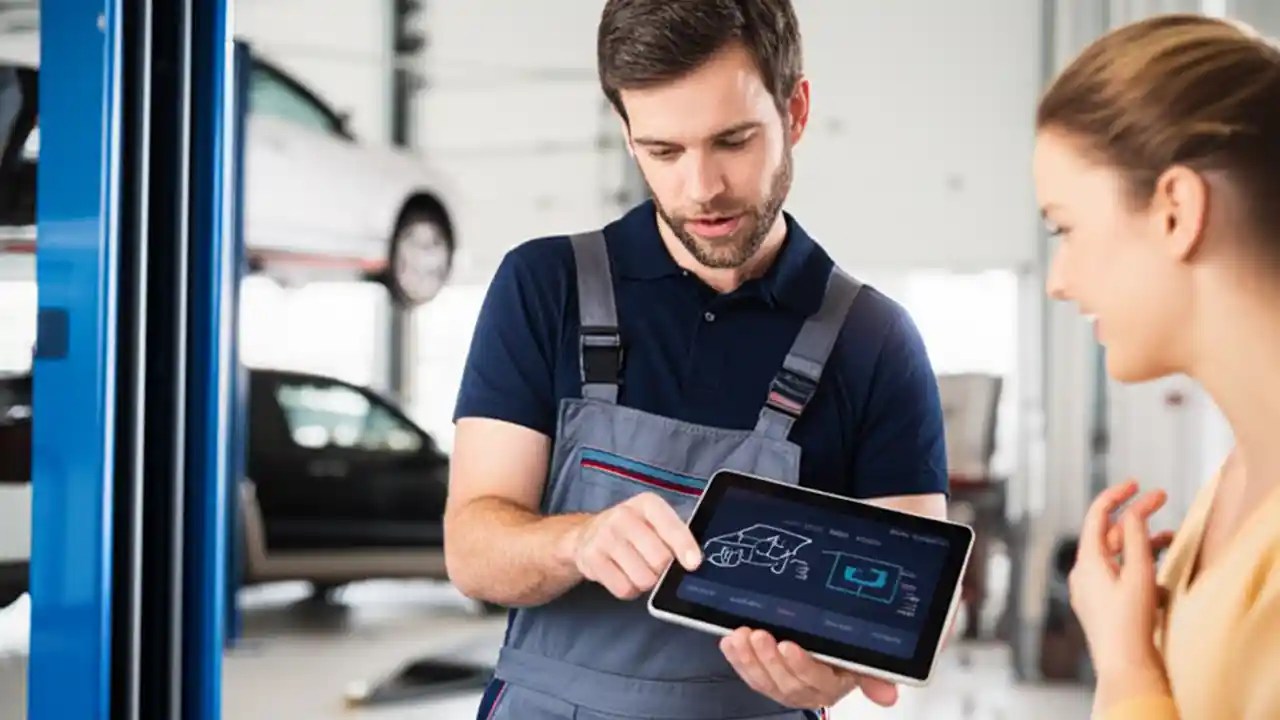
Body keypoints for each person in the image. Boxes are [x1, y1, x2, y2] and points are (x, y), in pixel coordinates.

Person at [444, 1, 949, 718]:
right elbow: (472, 547)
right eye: (664, 151)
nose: (701, 189)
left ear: (795, 111)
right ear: (626, 133)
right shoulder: (543, 286)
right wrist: (578, 541)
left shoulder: (875, 342)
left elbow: (918, 599)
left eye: (733, 141)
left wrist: (839, 669)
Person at [1034, 13, 1280, 720]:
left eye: (1065, 227)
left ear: (1174, 209)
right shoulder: (1231, 481)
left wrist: (1124, 666)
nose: (1058, 279)